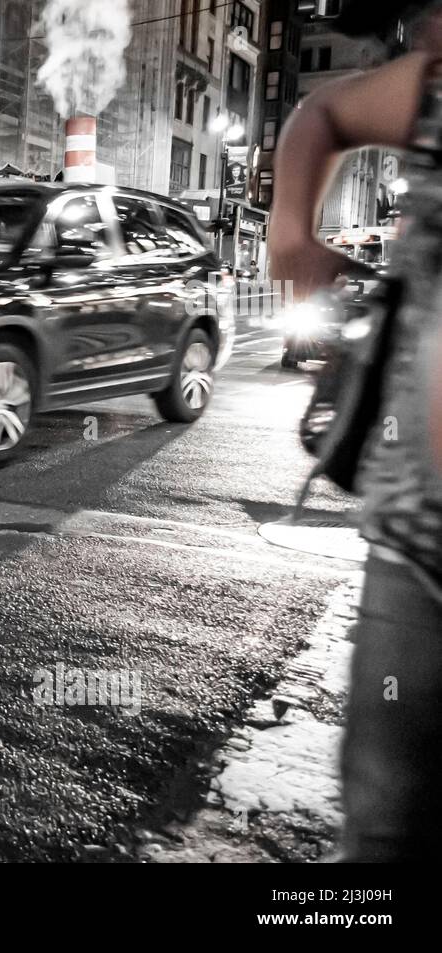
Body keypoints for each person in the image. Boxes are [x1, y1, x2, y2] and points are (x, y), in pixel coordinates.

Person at [269, 0, 442, 862]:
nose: (423, 34)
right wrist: (290, 233)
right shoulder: (437, 91)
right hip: (421, 533)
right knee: (379, 826)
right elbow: (320, 112)